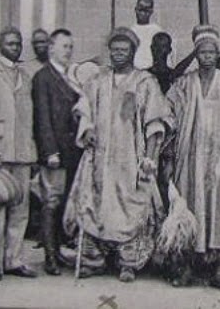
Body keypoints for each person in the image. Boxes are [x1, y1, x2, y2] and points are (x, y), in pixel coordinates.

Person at [63, 27, 173, 282]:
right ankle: (96, 259)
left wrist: (151, 156)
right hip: (100, 157)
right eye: (114, 50)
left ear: (133, 52)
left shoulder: (145, 83)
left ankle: (128, 263)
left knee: (131, 206)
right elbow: (83, 109)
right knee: (97, 205)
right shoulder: (97, 81)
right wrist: (87, 128)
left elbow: (155, 121)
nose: (118, 55)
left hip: (130, 158)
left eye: (124, 50)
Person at [166, 25, 220, 291]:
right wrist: (169, 156)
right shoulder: (183, 84)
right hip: (189, 158)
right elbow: (168, 116)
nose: (206, 56)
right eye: (202, 52)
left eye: (211, 52)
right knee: (189, 209)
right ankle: (187, 268)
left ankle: (217, 270)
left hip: (218, 158)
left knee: (218, 210)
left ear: (217, 54)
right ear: (196, 53)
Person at [0, 27, 38, 282]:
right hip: (1, 150)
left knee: (20, 208)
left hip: (23, 151)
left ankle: (13, 260)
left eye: (18, 43)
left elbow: (31, 117)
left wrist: (33, 153)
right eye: (11, 43)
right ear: (0, 45)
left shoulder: (25, 75)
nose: (16, 47)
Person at [31, 29, 82, 276]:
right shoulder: (43, 78)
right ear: (51, 48)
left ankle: (59, 249)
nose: (68, 51)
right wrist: (49, 151)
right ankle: (50, 255)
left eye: (71, 47)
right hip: (55, 153)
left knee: (63, 203)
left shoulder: (71, 77)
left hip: (72, 151)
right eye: (64, 46)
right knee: (51, 202)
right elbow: (42, 118)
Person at [131, 0, 163, 70]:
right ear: (135, 10)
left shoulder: (157, 31)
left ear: (151, 12)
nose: (143, 13)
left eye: (146, 10)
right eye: (140, 9)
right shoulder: (130, 32)